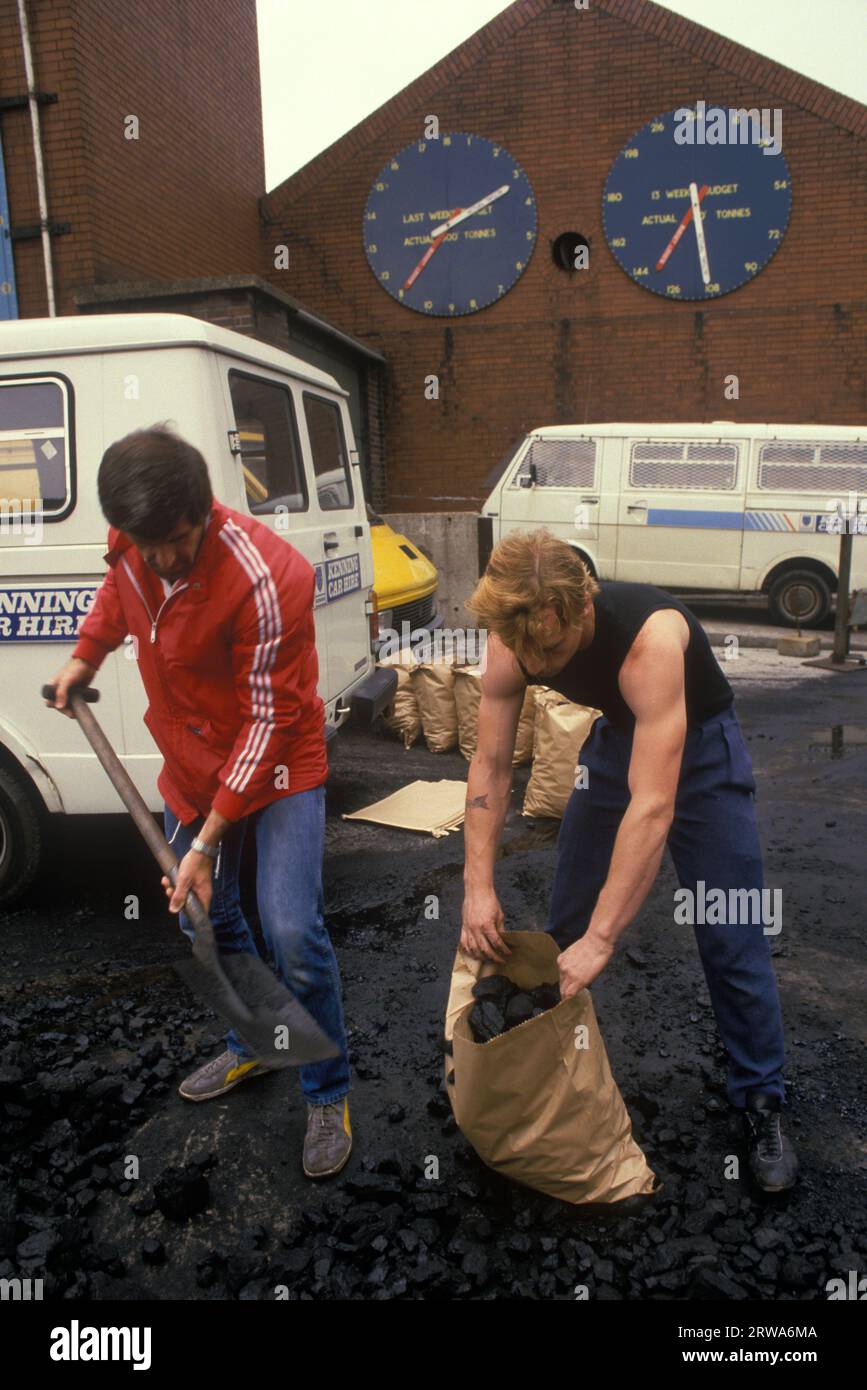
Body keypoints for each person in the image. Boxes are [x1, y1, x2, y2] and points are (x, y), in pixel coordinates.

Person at [46, 423, 352, 1180]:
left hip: (276, 766)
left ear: (207, 510)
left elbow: (268, 725)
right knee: (205, 919)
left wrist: (208, 842)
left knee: (289, 923)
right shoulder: (135, 545)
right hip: (191, 764)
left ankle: (327, 1089)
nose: (163, 559)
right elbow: (118, 599)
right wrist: (84, 656)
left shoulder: (268, 576)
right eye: (147, 546)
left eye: (177, 543)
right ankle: (257, 1044)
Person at [460, 528, 798, 1194]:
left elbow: (652, 806)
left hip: (697, 744)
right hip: (617, 739)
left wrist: (605, 940)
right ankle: (541, 1066)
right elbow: (490, 765)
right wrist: (475, 887)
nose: (541, 665)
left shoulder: (651, 640)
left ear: (585, 604)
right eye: (528, 652)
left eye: (552, 648)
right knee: (567, 917)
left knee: (729, 930)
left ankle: (760, 1097)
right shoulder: (514, 634)